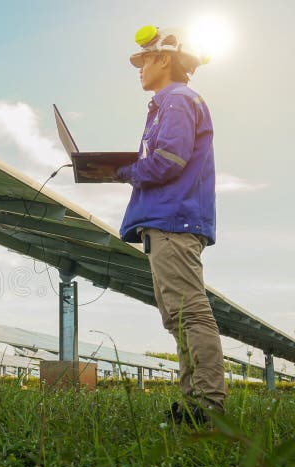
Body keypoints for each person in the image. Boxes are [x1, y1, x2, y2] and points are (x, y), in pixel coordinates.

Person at [82, 26, 224, 425]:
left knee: (189, 311)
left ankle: (210, 407)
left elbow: (169, 161)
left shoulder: (177, 100)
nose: (139, 69)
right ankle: (195, 404)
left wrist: (118, 170)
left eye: (143, 60)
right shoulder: (170, 103)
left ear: (164, 59)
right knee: (177, 314)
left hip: (174, 218)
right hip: (169, 218)